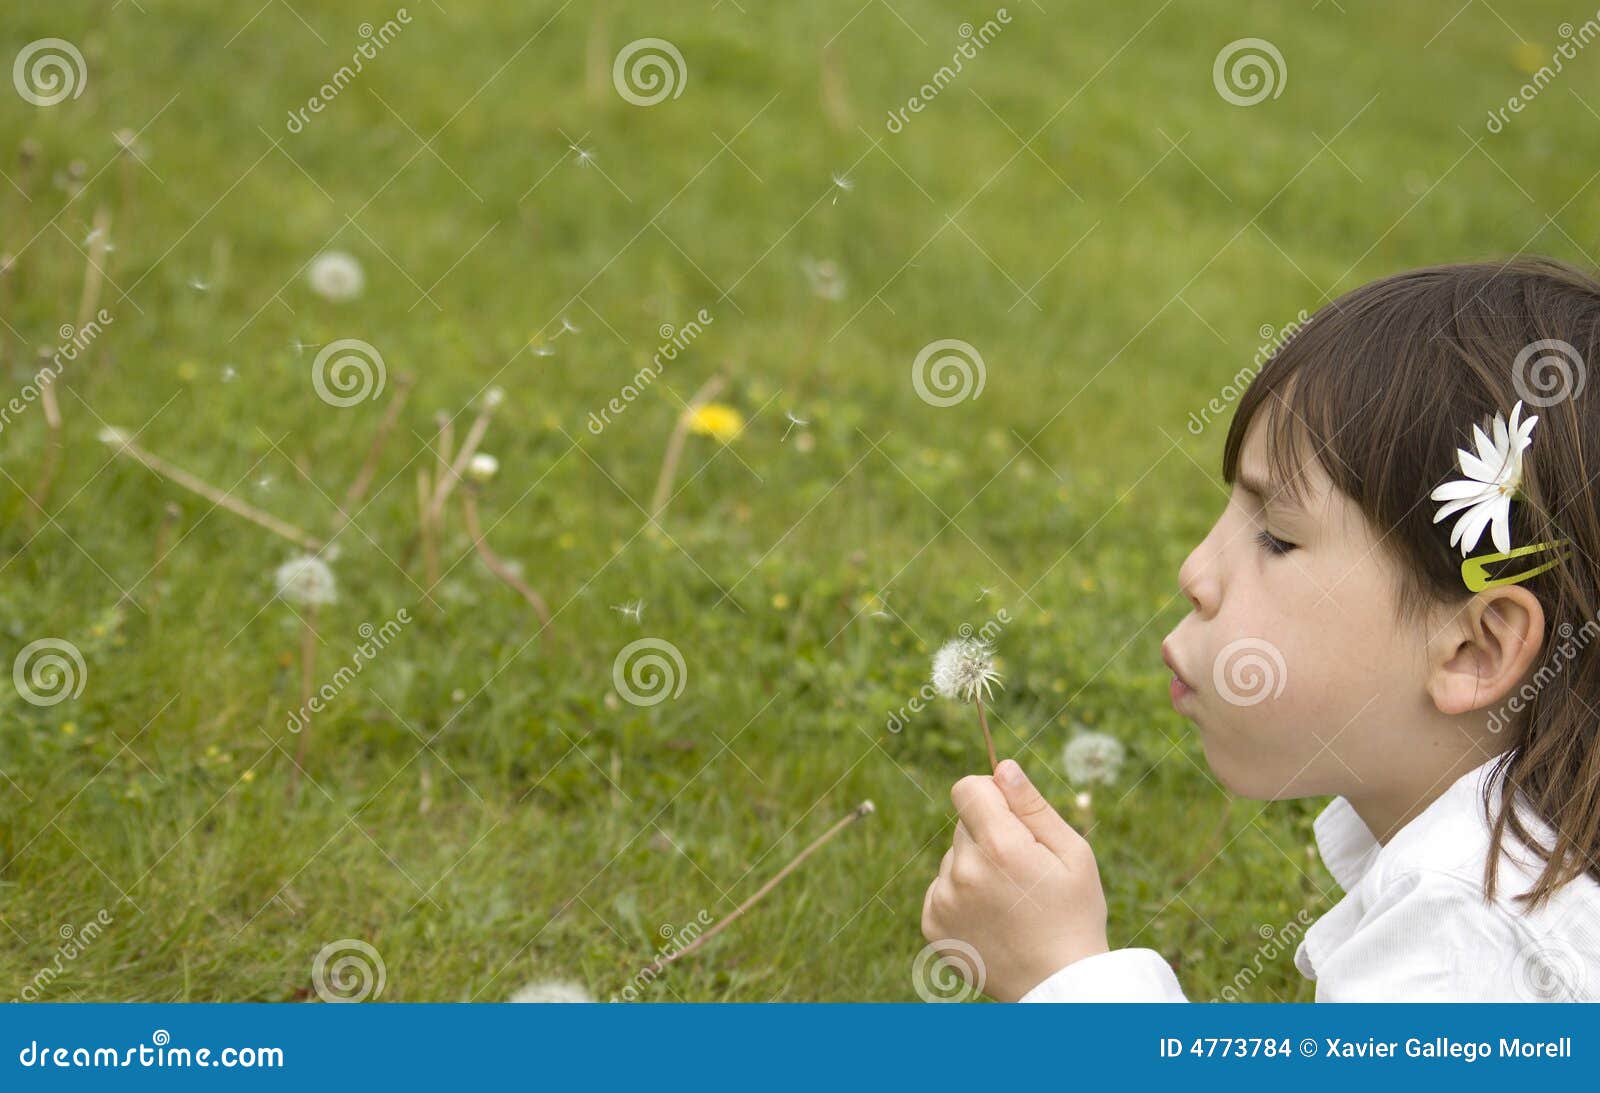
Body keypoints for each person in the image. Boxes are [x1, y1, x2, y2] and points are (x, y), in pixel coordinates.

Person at [921, 258, 1600, 1001]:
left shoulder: (1465, 940)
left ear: (1476, 649)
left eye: (1277, 537)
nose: (1194, 570)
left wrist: (1062, 971)